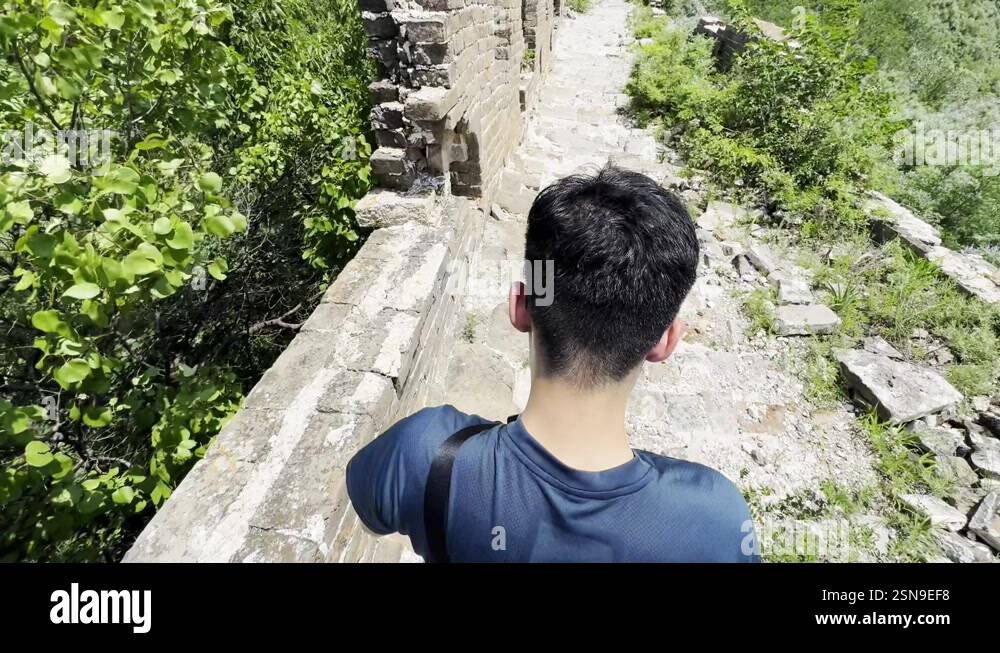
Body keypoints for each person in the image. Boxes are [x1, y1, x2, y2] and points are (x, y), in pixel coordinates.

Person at [346, 165, 758, 562]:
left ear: (521, 305)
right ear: (665, 341)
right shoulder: (716, 520)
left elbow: (370, 516)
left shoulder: (424, 453)